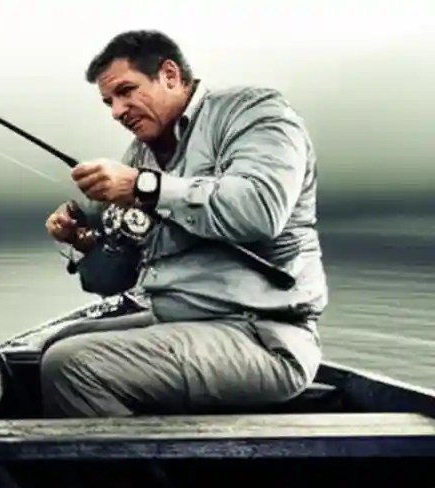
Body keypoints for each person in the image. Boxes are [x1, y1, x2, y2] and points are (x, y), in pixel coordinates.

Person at [39, 30, 328, 419]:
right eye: (109, 102)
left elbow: (261, 209)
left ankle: (157, 479)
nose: (117, 111)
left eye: (127, 91)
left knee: (71, 366)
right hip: (178, 320)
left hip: (264, 336)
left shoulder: (255, 113)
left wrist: (142, 186)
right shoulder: (141, 153)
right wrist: (86, 242)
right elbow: (111, 282)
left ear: (170, 75)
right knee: (50, 348)